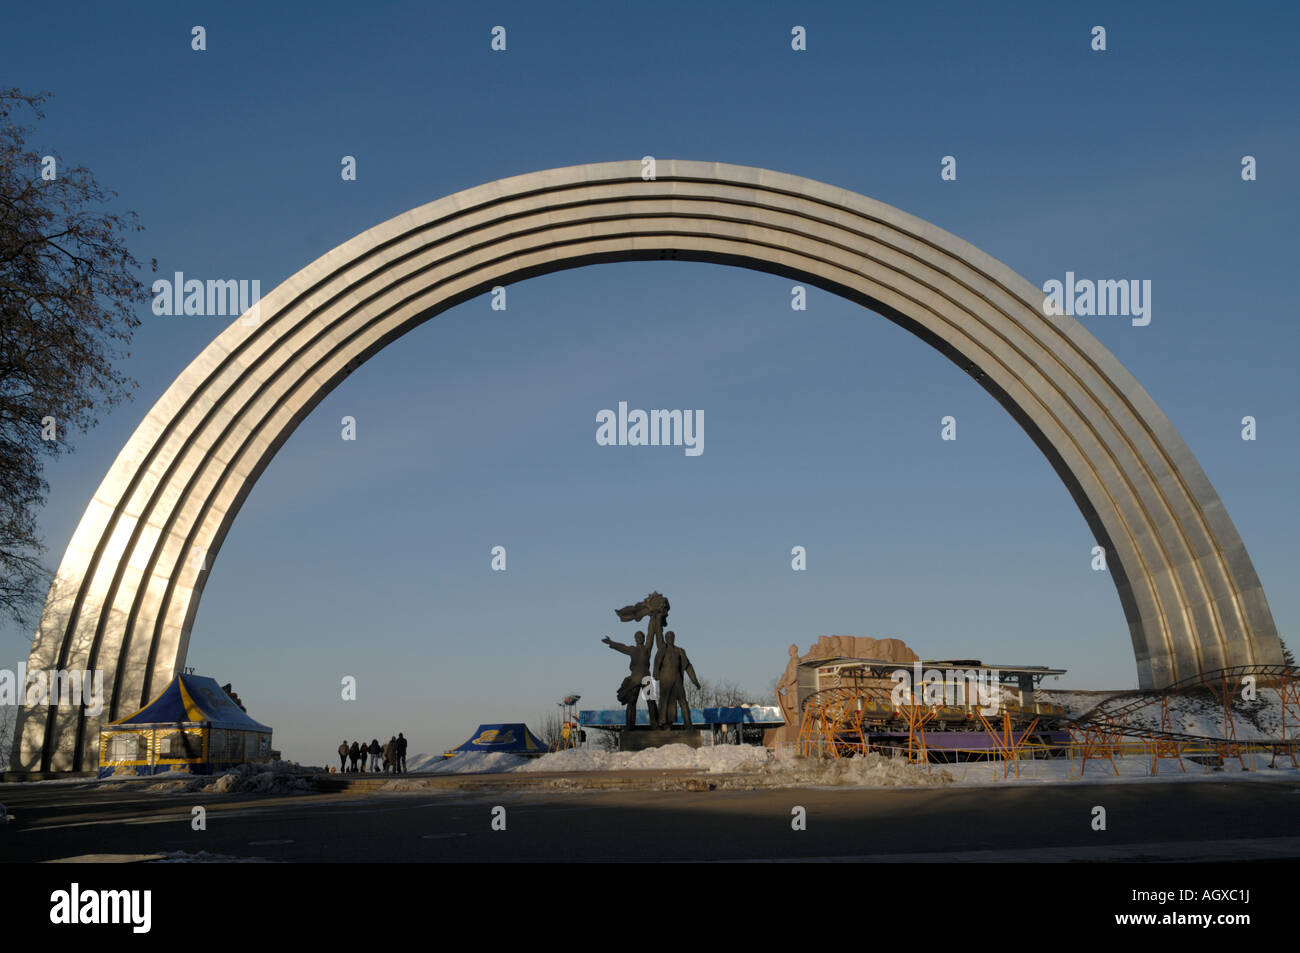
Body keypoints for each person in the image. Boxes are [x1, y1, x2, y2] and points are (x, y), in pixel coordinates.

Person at [604, 631, 659, 728]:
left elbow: (651, 635)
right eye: (637, 637)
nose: (639, 638)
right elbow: (622, 647)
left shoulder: (647, 648)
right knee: (631, 702)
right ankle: (630, 726)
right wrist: (611, 642)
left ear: (644, 638)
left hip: (646, 677)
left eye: (641, 636)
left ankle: (655, 725)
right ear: (635, 639)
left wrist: (654, 619)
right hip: (634, 679)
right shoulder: (632, 650)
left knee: (651, 702)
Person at [655, 630, 701, 728]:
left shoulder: (680, 651)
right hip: (666, 680)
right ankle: (665, 724)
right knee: (665, 701)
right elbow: (657, 662)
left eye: (672, 637)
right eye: (668, 637)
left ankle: (688, 724)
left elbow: (688, 665)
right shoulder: (662, 650)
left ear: (674, 638)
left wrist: (694, 680)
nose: (670, 639)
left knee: (683, 701)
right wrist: (656, 674)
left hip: (677, 679)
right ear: (665, 639)